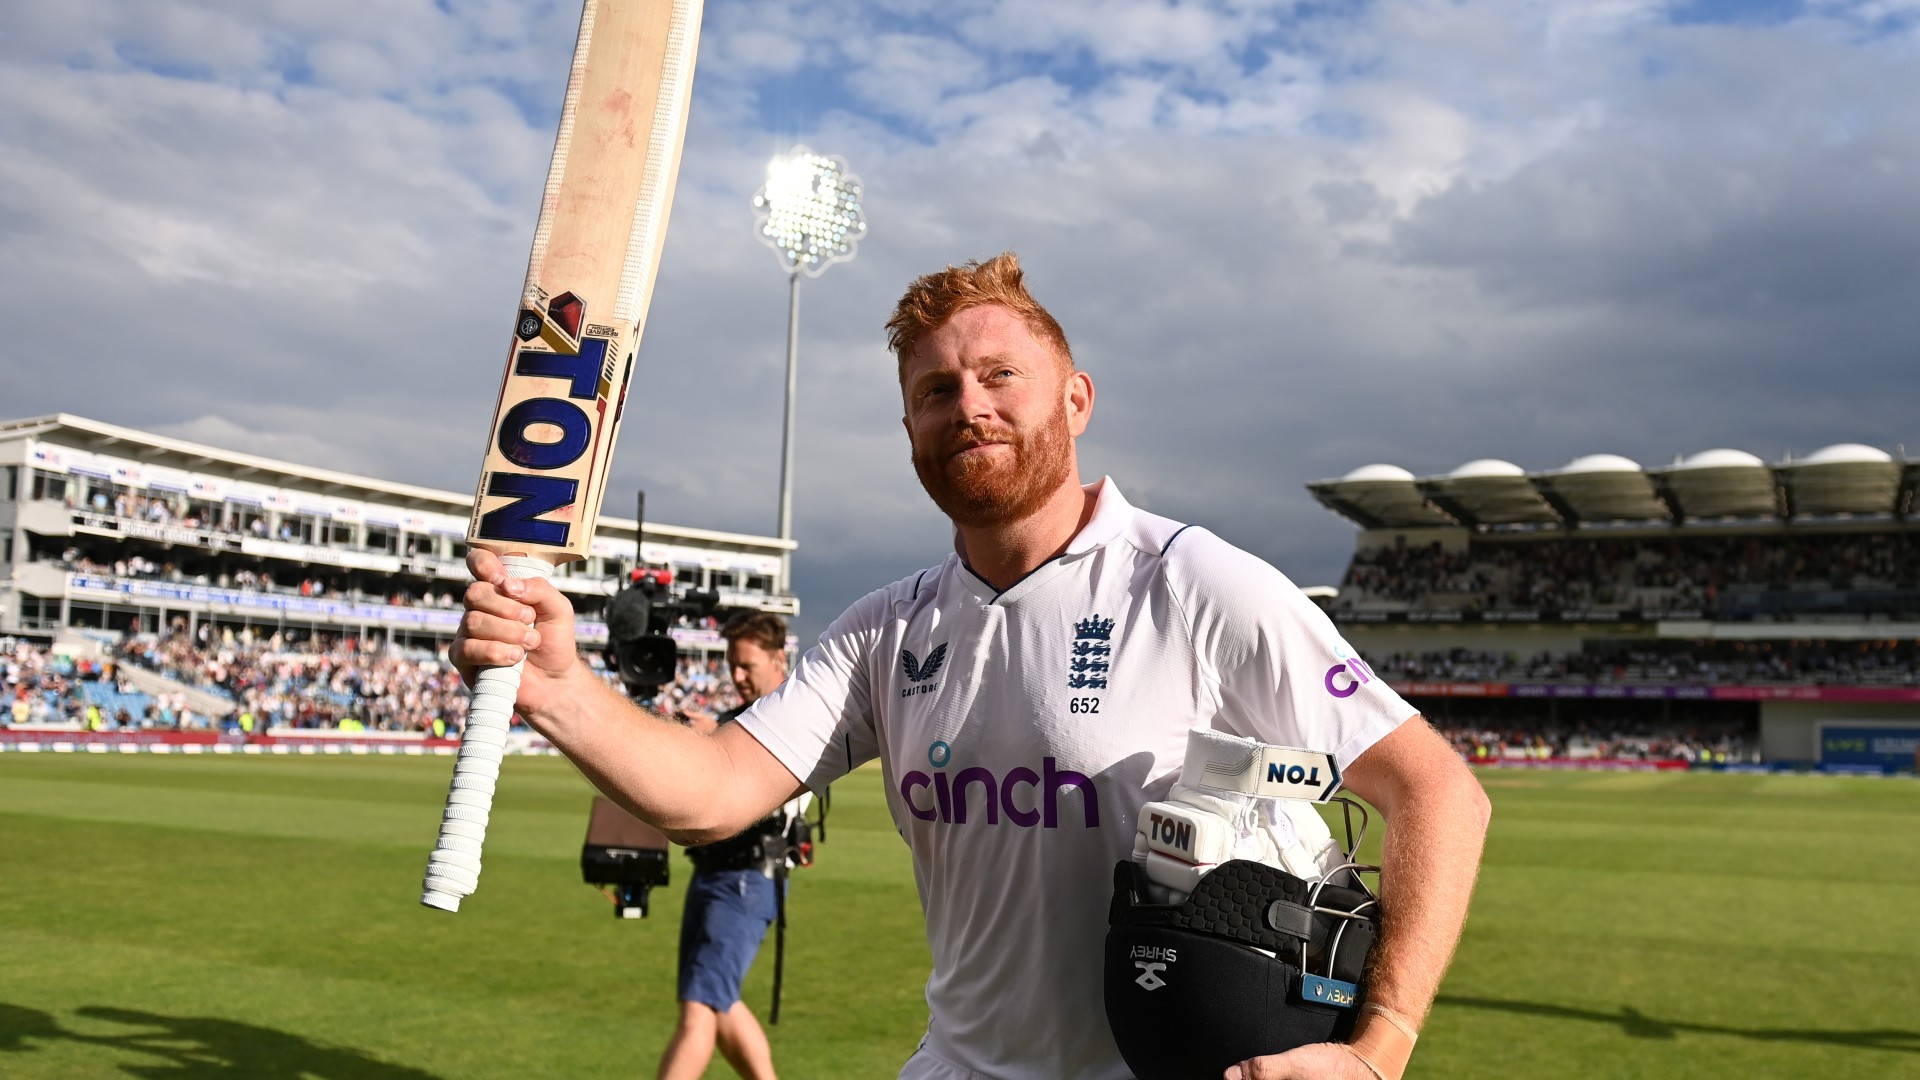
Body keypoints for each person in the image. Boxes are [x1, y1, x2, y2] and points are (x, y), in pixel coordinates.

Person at [452, 253, 1492, 1080]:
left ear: (1076, 399)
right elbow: (716, 791)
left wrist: (1381, 1046)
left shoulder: (1195, 583)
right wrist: (559, 689)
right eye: (936, 389)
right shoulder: (885, 628)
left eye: (1001, 376)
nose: (969, 406)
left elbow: (1437, 791)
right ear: (910, 427)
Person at [656, 612, 798, 1080]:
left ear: (779, 659)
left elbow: (756, 763)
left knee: (700, 1009)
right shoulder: (745, 717)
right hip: (718, 874)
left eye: (747, 666)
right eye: (731, 664)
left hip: (746, 879)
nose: (736, 676)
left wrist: (710, 738)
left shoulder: (795, 714)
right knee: (717, 1002)